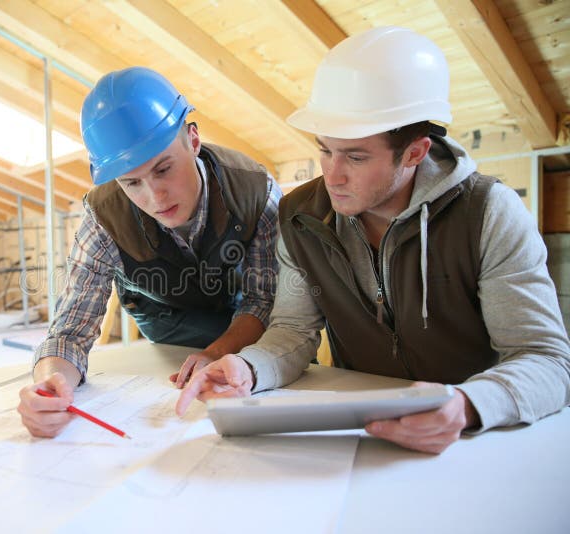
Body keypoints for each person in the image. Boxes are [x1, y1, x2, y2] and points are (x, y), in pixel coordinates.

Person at [176, 26, 570, 454]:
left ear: (415, 152)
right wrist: (249, 367)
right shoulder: (299, 217)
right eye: (325, 149)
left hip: (475, 442)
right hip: (361, 439)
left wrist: (468, 405)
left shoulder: (490, 213)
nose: (332, 174)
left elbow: (547, 361)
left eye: (356, 156)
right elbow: (293, 330)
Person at [19, 67, 281, 437]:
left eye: (163, 169)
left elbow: (263, 301)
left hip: (244, 325)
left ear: (192, 140)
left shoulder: (256, 190)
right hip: (165, 328)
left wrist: (215, 353)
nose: (154, 197)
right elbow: (70, 332)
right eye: (132, 183)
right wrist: (49, 383)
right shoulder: (103, 214)